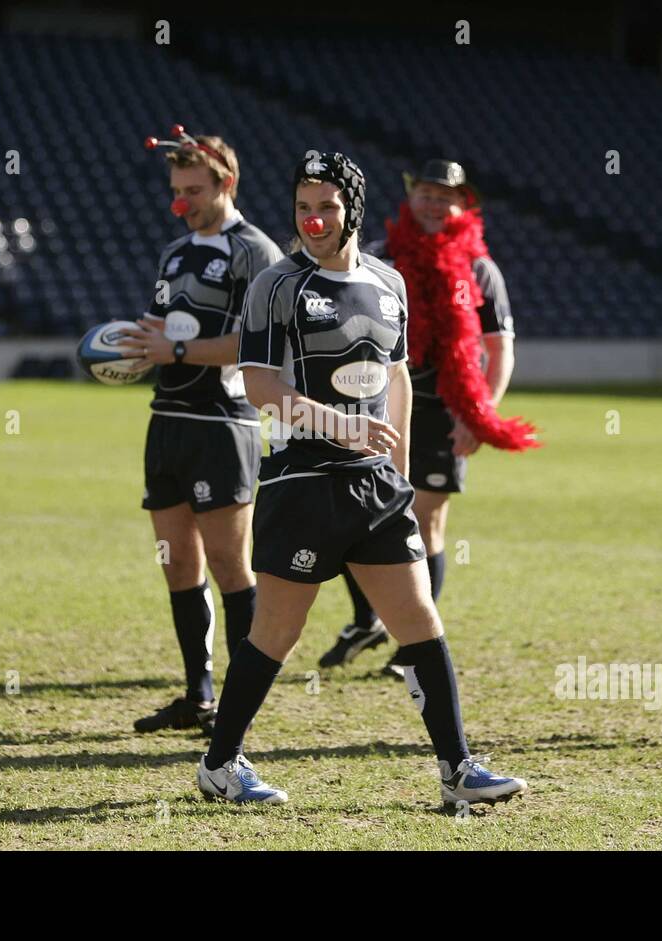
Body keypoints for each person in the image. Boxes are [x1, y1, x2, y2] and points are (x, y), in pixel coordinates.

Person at [194, 150, 528, 806]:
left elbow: (397, 378)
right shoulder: (276, 285)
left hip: (376, 490)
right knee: (276, 633)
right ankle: (219, 763)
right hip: (302, 484)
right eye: (302, 207)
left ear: (352, 209)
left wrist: (397, 473)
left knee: (419, 621)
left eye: (326, 206)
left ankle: (457, 771)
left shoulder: (387, 282)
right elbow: (259, 385)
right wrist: (340, 426)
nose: (313, 219)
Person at [316, 159, 534, 677]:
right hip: (377, 404)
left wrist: (479, 414)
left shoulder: (480, 268)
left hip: (443, 411)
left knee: (423, 519)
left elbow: (498, 349)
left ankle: (411, 644)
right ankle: (370, 617)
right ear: (411, 198)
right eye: (426, 194)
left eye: (446, 196)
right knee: (354, 516)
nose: (435, 203)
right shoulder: (379, 257)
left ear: (464, 205)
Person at [119, 127, 283, 735]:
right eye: (176, 190)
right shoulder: (174, 251)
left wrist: (177, 348)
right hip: (167, 422)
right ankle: (199, 695)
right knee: (176, 563)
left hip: (223, 425)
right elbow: (162, 329)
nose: (182, 201)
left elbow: (253, 345)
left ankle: (242, 705)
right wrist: (137, 349)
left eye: (194, 190)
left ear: (226, 183)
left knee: (228, 563)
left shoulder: (256, 252)